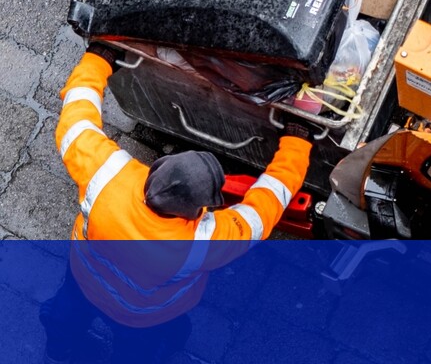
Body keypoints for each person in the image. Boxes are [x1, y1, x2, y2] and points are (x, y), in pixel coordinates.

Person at [40, 42, 314, 363]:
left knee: (65, 317)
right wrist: (296, 140)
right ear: (200, 211)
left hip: (84, 277)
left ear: (154, 171)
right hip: (142, 316)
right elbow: (264, 207)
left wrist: (98, 58)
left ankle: (60, 349)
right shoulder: (201, 242)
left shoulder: (109, 176)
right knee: (136, 353)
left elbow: (76, 120)